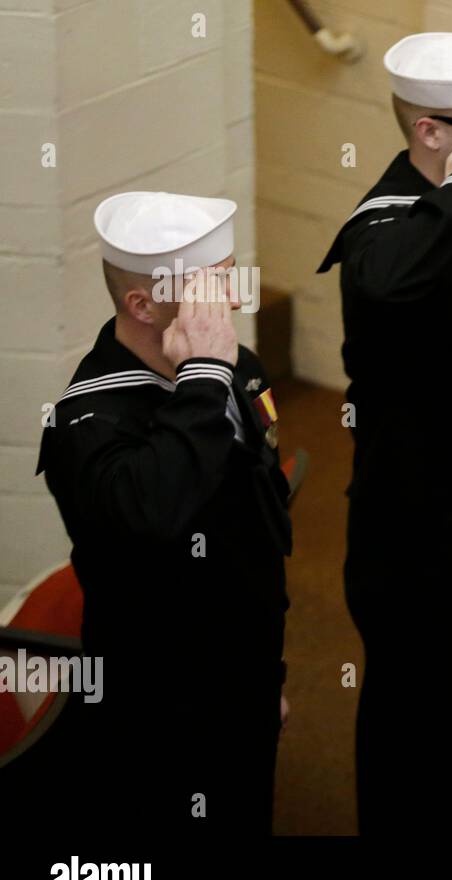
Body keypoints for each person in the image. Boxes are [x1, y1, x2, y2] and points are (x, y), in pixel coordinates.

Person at [315, 33, 452, 836]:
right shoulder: (386, 227)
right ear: (429, 133)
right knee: (413, 734)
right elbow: (385, 283)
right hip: (411, 530)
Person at [36, 191, 291, 834]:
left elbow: (258, 515)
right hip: (160, 704)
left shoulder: (235, 368)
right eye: (211, 288)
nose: (231, 301)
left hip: (243, 672)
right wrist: (204, 374)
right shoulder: (87, 423)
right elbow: (152, 516)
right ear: (142, 304)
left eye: (230, 277)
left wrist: (262, 677)